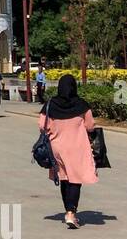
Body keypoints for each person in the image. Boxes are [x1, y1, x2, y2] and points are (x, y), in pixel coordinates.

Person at [38, 75, 97, 229]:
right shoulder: (81, 105)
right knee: (75, 179)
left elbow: (42, 126)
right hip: (77, 148)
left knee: (64, 178)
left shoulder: (51, 104)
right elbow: (90, 126)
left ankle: (68, 210)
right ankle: (71, 212)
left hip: (57, 148)